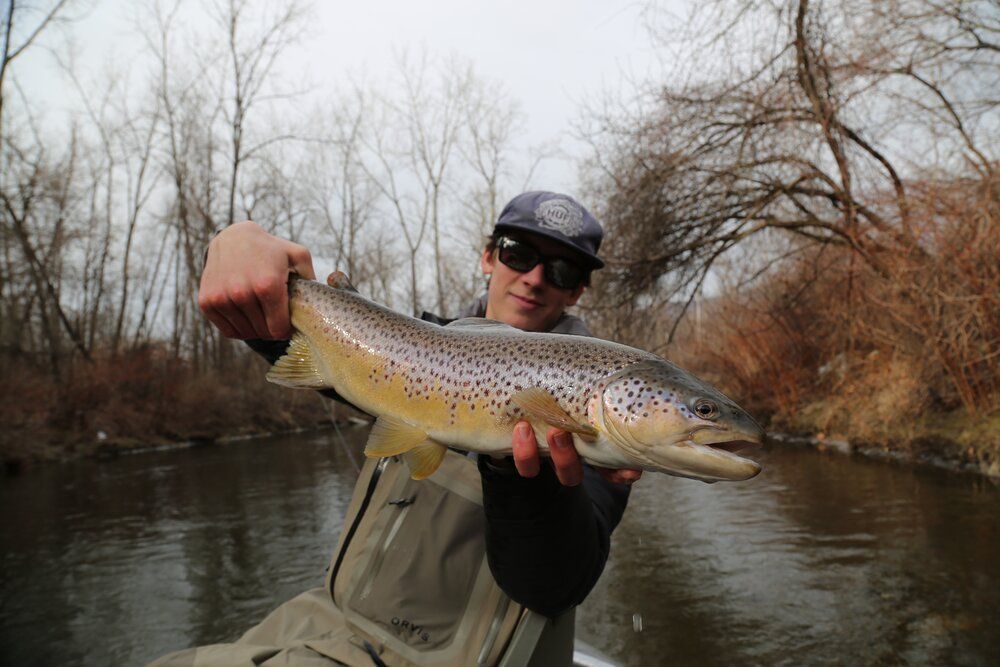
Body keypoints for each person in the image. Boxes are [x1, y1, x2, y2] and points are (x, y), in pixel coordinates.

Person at [152, 191, 639, 666]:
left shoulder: (605, 420)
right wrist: (234, 245)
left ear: (577, 290)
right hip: (338, 620)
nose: (535, 278)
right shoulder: (414, 347)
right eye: (519, 254)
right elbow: (279, 327)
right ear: (489, 257)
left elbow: (554, 588)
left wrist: (517, 471)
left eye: (561, 270)